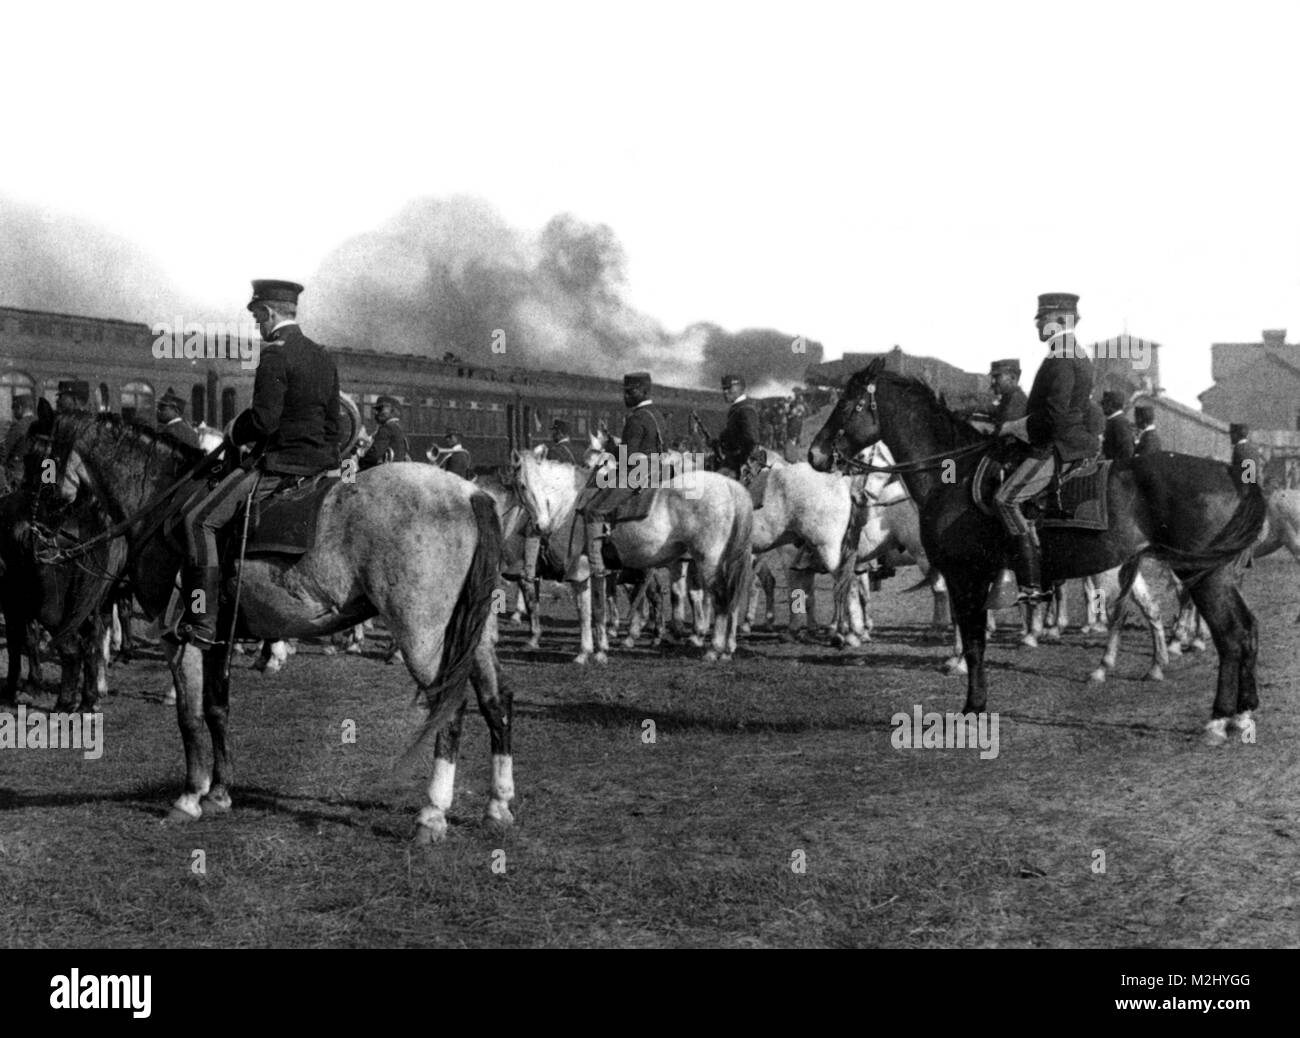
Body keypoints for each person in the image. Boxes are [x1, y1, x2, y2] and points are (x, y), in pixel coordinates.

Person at [178, 279, 340, 648]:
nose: (257, 326)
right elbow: (334, 424)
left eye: (257, 318)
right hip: (319, 467)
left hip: (280, 465)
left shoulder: (275, 354)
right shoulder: (323, 356)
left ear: (268, 313)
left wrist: (236, 429)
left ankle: (203, 617)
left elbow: (265, 422)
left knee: (198, 520)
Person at [991, 292, 1096, 606]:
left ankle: (1033, 581)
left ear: (1061, 321)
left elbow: (1054, 416)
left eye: (1043, 317)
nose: (1037, 323)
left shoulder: (1062, 356)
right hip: (1068, 441)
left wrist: (1013, 427)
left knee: (1004, 499)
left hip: (1058, 445)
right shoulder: (1071, 352)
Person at [576, 371, 666, 583]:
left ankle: (598, 568)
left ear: (643, 391)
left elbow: (627, 457)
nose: (626, 396)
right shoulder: (657, 415)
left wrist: (610, 448)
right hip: (657, 472)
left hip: (637, 475)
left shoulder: (635, 419)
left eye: (631, 392)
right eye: (625, 392)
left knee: (593, 510)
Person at [713, 374, 760, 476]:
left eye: (729, 388)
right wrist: (717, 442)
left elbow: (751, 440)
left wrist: (740, 463)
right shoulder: (737, 408)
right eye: (724, 388)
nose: (725, 392)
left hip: (740, 465)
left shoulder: (746, 409)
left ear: (740, 388)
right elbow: (734, 435)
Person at [360, 395, 409, 469]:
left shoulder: (387, 428)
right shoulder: (399, 427)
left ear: (392, 411)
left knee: (348, 472)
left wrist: (361, 461)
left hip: (386, 472)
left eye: (380, 409)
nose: (376, 413)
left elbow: (374, 455)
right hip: (398, 470)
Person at [0, 394, 35, 489]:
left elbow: (4, 450)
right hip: (36, 473)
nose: (13, 412)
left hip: (16, 473)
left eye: (14, 409)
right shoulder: (39, 423)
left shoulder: (19, 426)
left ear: (20, 408)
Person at [1229, 422, 1266, 492]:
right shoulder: (1254, 449)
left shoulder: (1237, 449)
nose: (1230, 437)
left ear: (1236, 435)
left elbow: (1235, 472)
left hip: (1244, 488)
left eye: (1232, 434)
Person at [989, 359, 1028, 424]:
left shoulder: (1017, 403)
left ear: (1013, 377)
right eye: (992, 377)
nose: (993, 381)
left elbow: (1005, 431)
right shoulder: (1007, 399)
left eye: (997, 377)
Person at [1100, 390, 1134, 461]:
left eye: (1103, 403)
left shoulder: (1120, 422)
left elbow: (1127, 450)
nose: (1102, 406)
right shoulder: (1114, 420)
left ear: (1110, 404)